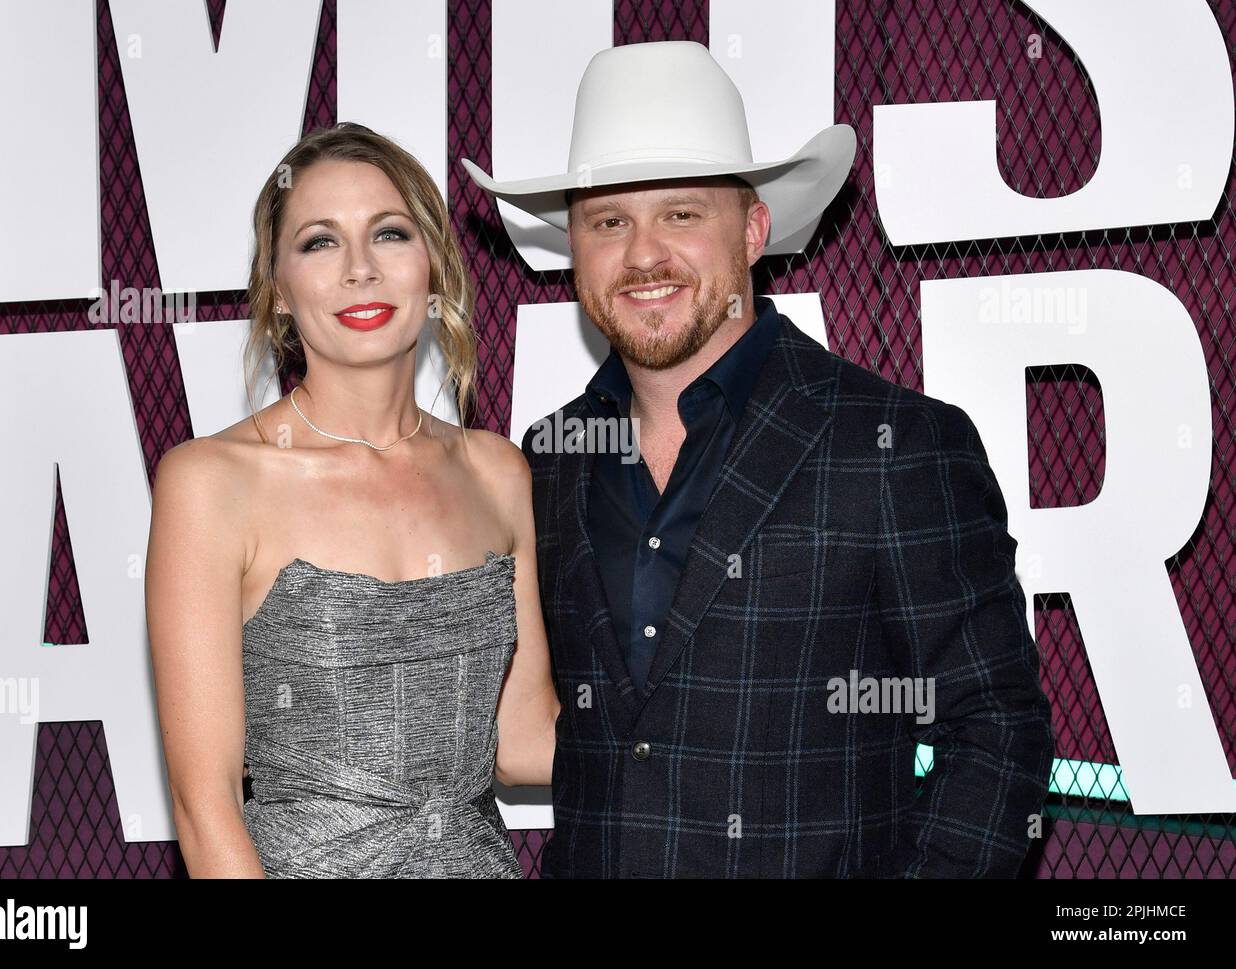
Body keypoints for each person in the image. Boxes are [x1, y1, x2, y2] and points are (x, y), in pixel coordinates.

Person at [463, 40, 1054, 877]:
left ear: (753, 230)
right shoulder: (549, 458)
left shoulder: (894, 445)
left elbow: (997, 729)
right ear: (576, 250)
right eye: (608, 220)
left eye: (681, 213)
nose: (642, 255)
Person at [146, 122, 558, 878]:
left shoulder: (497, 471)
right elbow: (206, 810)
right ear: (279, 289)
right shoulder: (211, 482)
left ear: (432, 265)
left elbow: (527, 738)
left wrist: (717, 721)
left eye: (390, 234)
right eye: (320, 242)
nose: (360, 269)